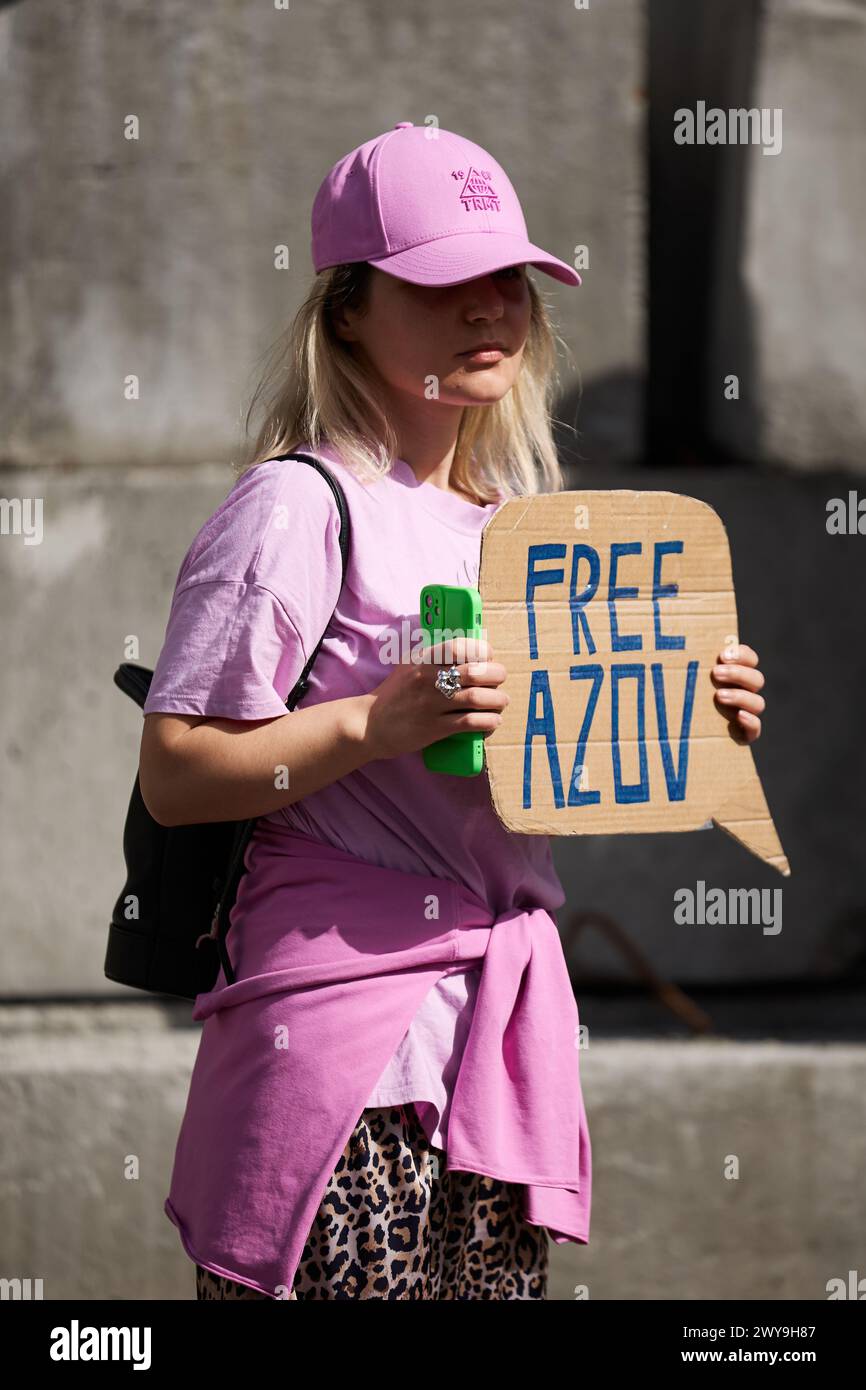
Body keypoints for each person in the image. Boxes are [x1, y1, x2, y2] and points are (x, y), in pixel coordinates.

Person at [139, 123, 768, 1301]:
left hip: (491, 1061)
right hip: (336, 1061)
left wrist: (697, 714)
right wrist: (369, 725)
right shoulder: (292, 506)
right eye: (440, 284)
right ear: (347, 312)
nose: (488, 309)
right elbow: (177, 771)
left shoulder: (514, 526)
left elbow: (560, 773)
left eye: (506, 281)